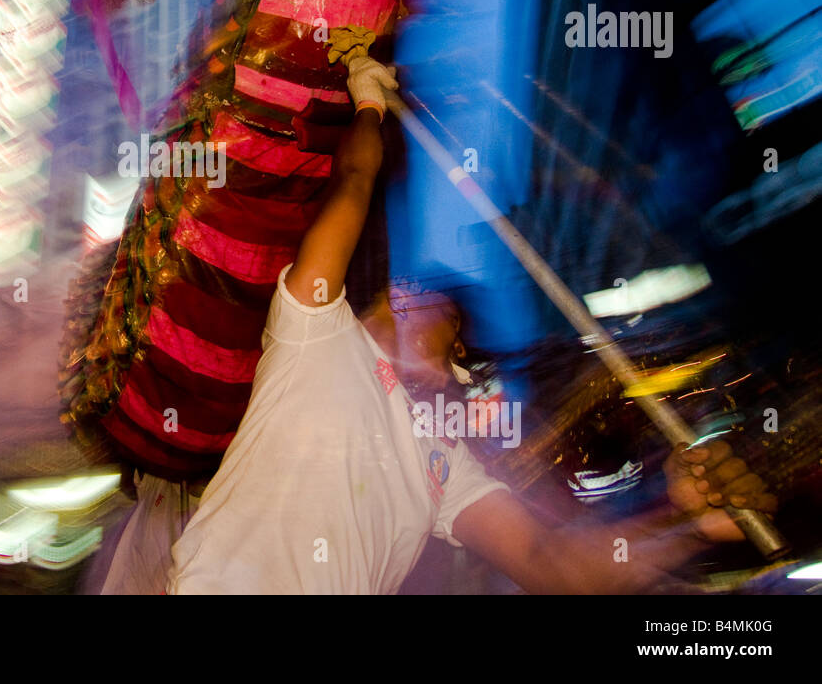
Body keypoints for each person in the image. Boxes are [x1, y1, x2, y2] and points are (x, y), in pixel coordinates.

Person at [162, 57, 778, 594]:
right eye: (454, 327)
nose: (463, 354)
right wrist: (371, 104)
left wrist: (684, 524)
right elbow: (353, 183)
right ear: (400, 297)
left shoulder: (445, 461)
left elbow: (554, 568)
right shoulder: (314, 334)